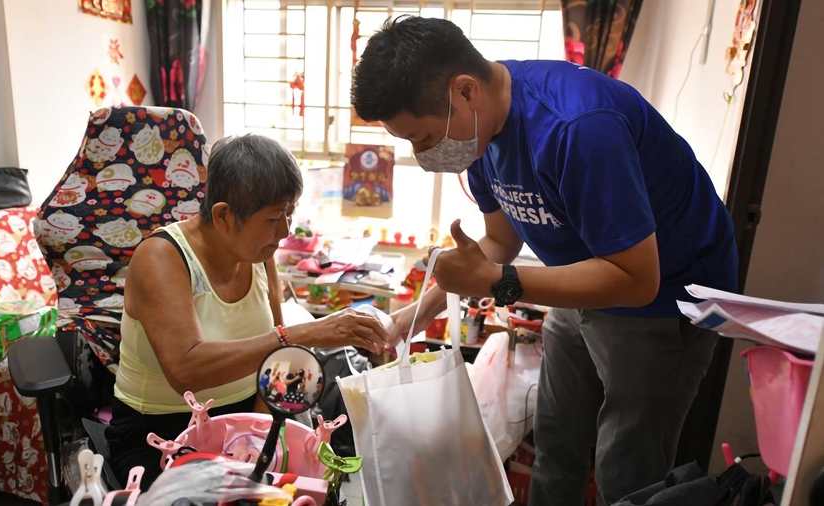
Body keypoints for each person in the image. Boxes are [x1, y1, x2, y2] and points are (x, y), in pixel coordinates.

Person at [352, 16, 738, 506]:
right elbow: (499, 242)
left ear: (466, 90)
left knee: (627, 464)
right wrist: (414, 314)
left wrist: (498, 282)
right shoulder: (482, 133)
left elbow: (637, 280)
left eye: (425, 138)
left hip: (662, 300)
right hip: (580, 281)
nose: (423, 153)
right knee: (555, 439)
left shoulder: (577, 127)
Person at [107, 134, 390, 488]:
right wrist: (303, 333)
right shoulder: (161, 258)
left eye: (290, 213)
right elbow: (186, 368)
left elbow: (279, 363)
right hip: (161, 430)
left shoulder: (259, 256)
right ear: (224, 215)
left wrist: (258, 437)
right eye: (273, 219)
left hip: (243, 420)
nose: (285, 232)